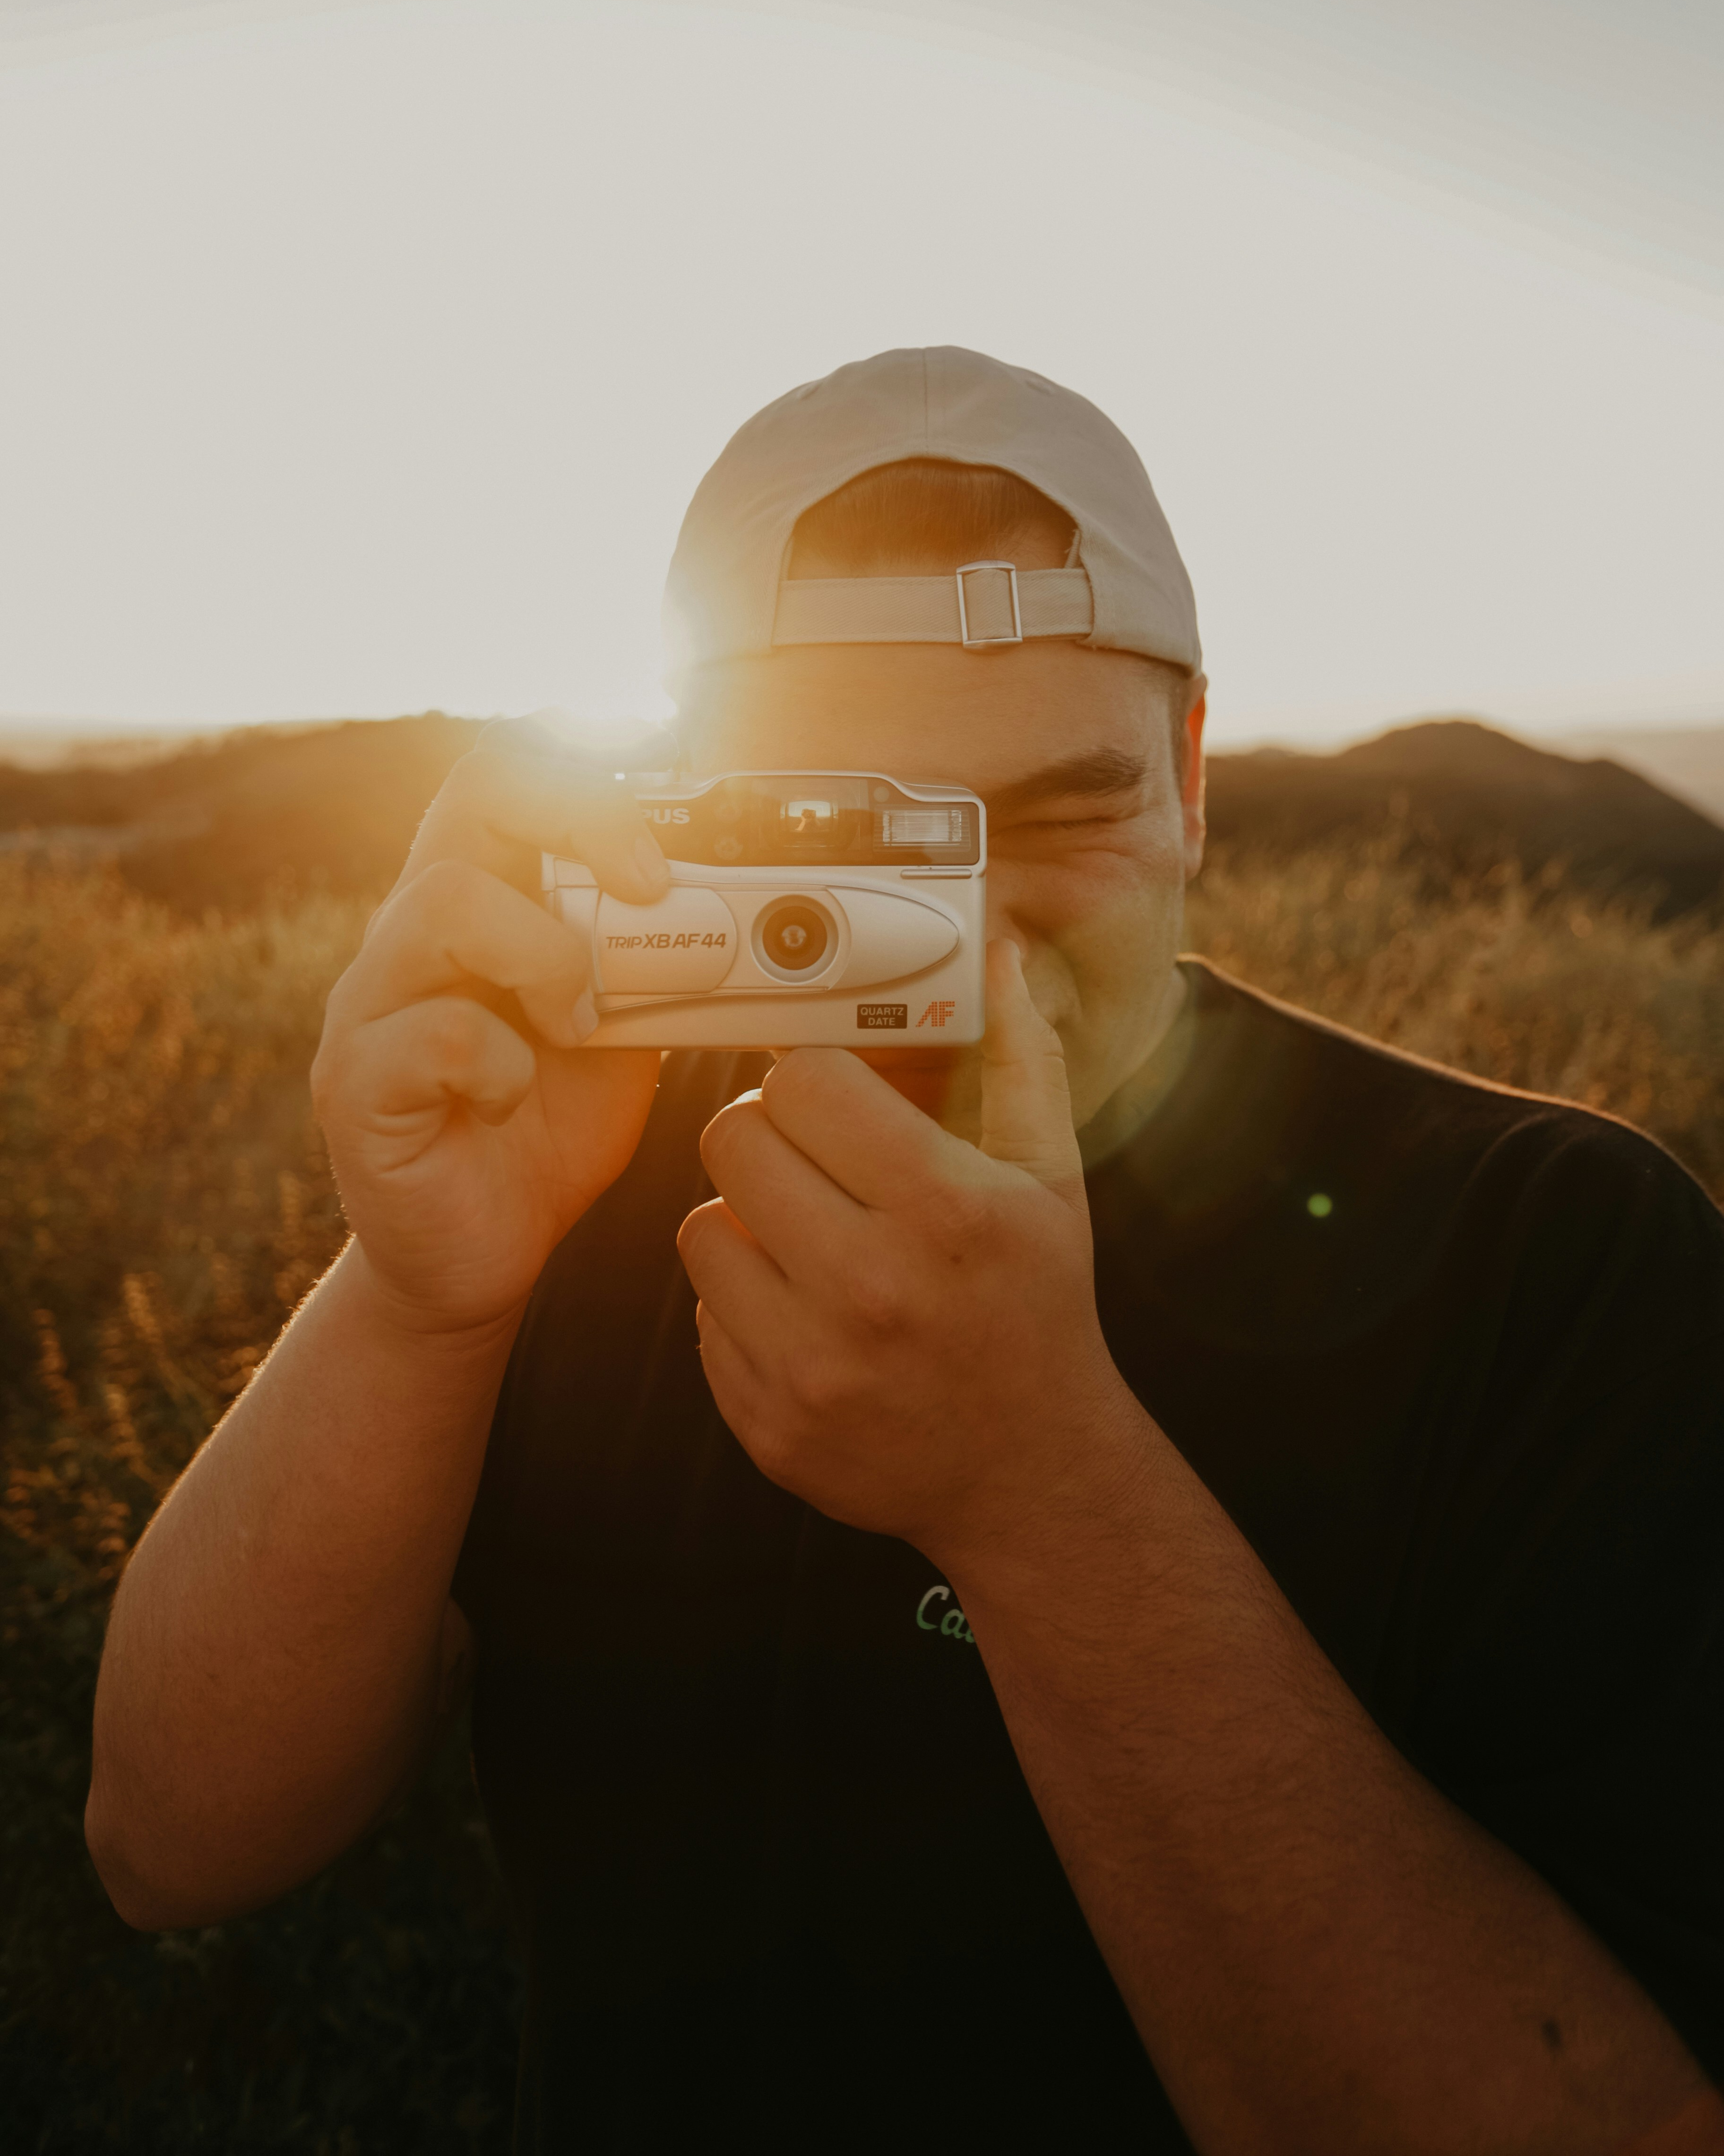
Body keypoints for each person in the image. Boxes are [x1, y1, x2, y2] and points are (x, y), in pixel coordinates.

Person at [87, 348, 1724, 2155]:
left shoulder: (1552, 1255)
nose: (965, 934)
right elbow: (172, 1840)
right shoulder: (585, 1173)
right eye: (854, 836)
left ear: (1188, 777)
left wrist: (1035, 1483)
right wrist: (418, 1293)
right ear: (683, 812)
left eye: (1063, 811)